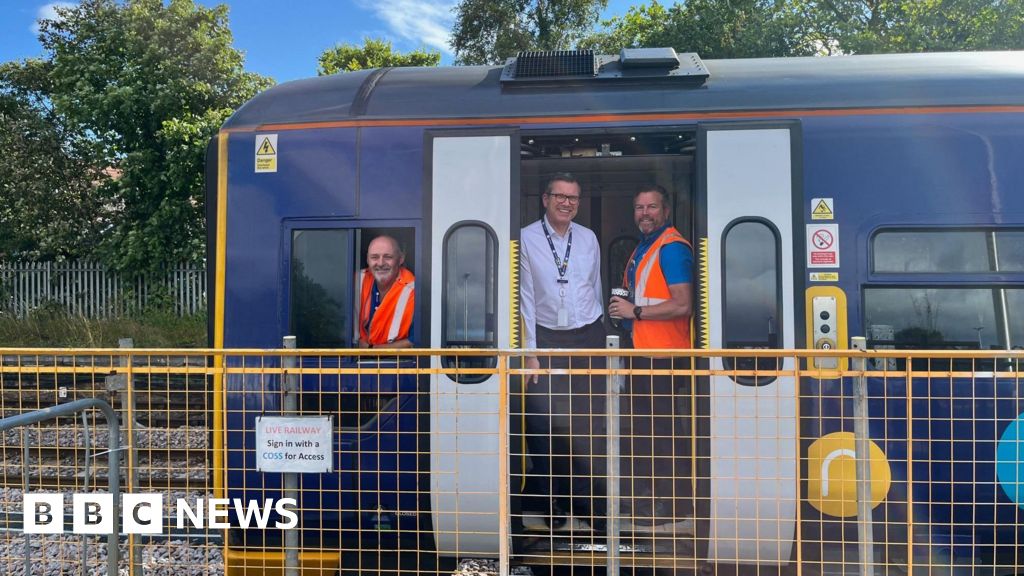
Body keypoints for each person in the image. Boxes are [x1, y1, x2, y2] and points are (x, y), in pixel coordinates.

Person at [519, 173, 607, 532]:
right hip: (545, 339)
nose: (567, 203)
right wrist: (530, 352)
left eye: (573, 198)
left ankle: (584, 504)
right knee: (543, 427)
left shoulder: (588, 238)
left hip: (586, 338)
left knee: (586, 427)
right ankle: (550, 505)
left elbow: (595, 289)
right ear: (545, 199)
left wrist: (599, 342)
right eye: (560, 196)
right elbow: (524, 297)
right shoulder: (525, 238)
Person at [608, 184, 693, 529]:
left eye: (652, 207)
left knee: (664, 433)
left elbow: (683, 304)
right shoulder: (647, 247)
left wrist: (636, 311)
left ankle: (675, 505)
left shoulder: (671, 248)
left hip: (665, 356)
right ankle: (655, 499)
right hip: (646, 353)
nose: (645, 213)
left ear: (666, 211)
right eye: (639, 207)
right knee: (649, 432)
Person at [354, 235, 415, 349]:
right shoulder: (356, 281)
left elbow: (414, 340)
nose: (381, 263)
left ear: (401, 258)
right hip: (352, 362)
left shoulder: (414, 290)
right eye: (374, 257)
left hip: (396, 363)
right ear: (367, 259)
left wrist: (372, 350)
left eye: (388, 257)